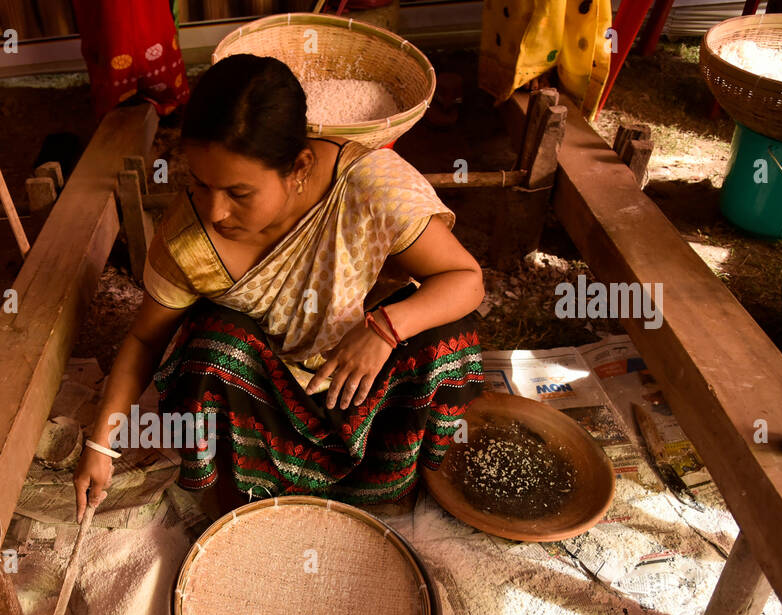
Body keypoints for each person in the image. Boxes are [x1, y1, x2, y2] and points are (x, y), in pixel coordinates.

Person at [73, 54, 486, 521]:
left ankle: (390, 488)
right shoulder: (190, 239)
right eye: (201, 184)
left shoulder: (367, 186)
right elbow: (145, 339)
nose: (214, 211)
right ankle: (247, 500)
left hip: (364, 382)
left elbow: (466, 281)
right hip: (271, 400)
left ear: (299, 166)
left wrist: (386, 328)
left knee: (451, 342)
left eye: (238, 193)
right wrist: (101, 443)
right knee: (212, 348)